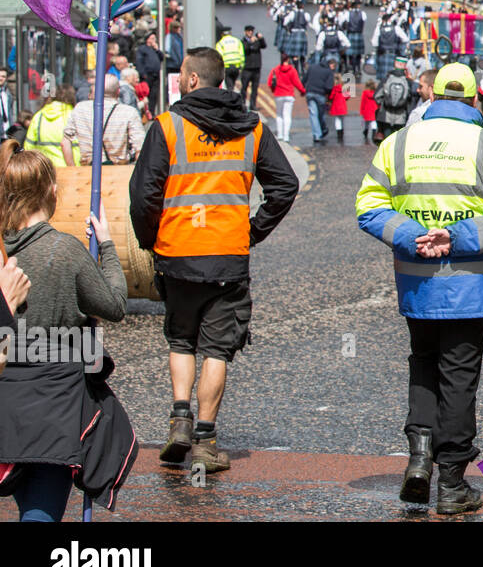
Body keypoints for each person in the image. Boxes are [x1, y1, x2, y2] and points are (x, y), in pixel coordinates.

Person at [355, 62, 483, 512]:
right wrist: (457, 238)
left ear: (431, 95)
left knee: (423, 364)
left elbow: (369, 207)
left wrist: (413, 237)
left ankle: (418, 459)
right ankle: (452, 483)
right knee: (459, 377)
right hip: (472, 284)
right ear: (474, 100)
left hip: (416, 283)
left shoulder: (398, 143)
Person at [129, 47, 299, 475]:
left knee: (181, 340)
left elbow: (143, 195)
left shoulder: (167, 127)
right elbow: (284, 186)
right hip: (227, 257)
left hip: (178, 254)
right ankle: (205, 441)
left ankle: (179, 418)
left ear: (190, 80)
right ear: (220, 81)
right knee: (218, 350)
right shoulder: (250, 128)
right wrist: (251, 230)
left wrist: (152, 240)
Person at [0, 140, 137, 520]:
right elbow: (114, 305)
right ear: (50, 191)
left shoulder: (3, 253)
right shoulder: (64, 250)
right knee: (41, 512)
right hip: (54, 401)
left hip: (6, 396)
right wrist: (107, 244)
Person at [62, 74, 145, 167]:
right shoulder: (129, 112)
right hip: (120, 171)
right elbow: (140, 149)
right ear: (118, 92)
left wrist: (72, 168)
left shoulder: (80, 108)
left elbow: (65, 142)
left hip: (87, 171)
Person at [24, 85, 78, 167]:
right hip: (72, 168)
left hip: (45, 170)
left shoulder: (39, 115)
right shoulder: (73, 115)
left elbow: (28, 146)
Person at [268, 54, 306, 143]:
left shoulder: (275, 70)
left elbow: (269, 82)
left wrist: (274, 90)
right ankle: (286, 136)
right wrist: (302, 91)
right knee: (287, 116)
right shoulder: (292, 70)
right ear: (288, 60)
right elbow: (297, 82)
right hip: (289, 95)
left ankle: (280, 134)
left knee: (279, 115)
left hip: (278, 95)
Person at [303, 56, 338, 145]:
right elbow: (329, 87)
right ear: (330, 64)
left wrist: (304, 89)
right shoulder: (328, 72)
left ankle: (317, 135)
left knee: (313, 114)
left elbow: (304, 80)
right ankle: (322, 130)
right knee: (321, 114)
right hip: (321, 95)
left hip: (310, 92)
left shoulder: (312, 67)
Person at [239, 26, 267, 112]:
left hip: (256, 68)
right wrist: (251, 43)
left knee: (255, 88)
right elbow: (246, 49)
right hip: (247, 68)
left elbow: (264, 46)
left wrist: (261, 38)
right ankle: (242, 103)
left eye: (251, 31)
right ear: (245, 32)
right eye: (249, 31)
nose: (250, 32)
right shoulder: (243, 41)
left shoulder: (256, 41)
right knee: (244, 87)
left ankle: (253, 104)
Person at [215, 25, 245, 92]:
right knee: (233, 83)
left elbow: (219, 57)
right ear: (230, 33)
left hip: (227, 67)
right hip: (236, 67)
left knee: (229, 85)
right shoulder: (237, 41)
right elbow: (242, 55)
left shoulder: (220, 43)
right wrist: (241, 67)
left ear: (222, 34)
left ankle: (231, 98)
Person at [328, 73, 351, 144]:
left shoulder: (334, 89)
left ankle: (339, 134)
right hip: (342, 106)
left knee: (337, 120)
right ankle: (342, 132)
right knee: (342, 120)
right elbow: (347, 96)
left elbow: (331, 97)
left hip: (336, 106)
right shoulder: (343, 88)